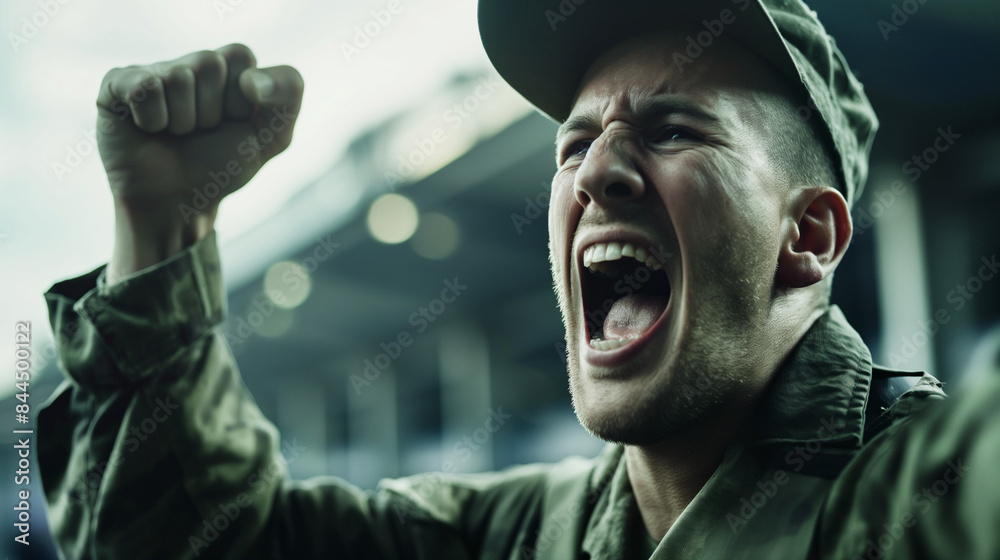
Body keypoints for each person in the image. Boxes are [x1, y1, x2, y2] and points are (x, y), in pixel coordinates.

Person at [36, 0, 999, 558]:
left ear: (810, 236)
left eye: (672, 130)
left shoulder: (929, 497)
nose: (597, 173)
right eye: (573, 145)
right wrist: (164, 226)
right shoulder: (524, 532)